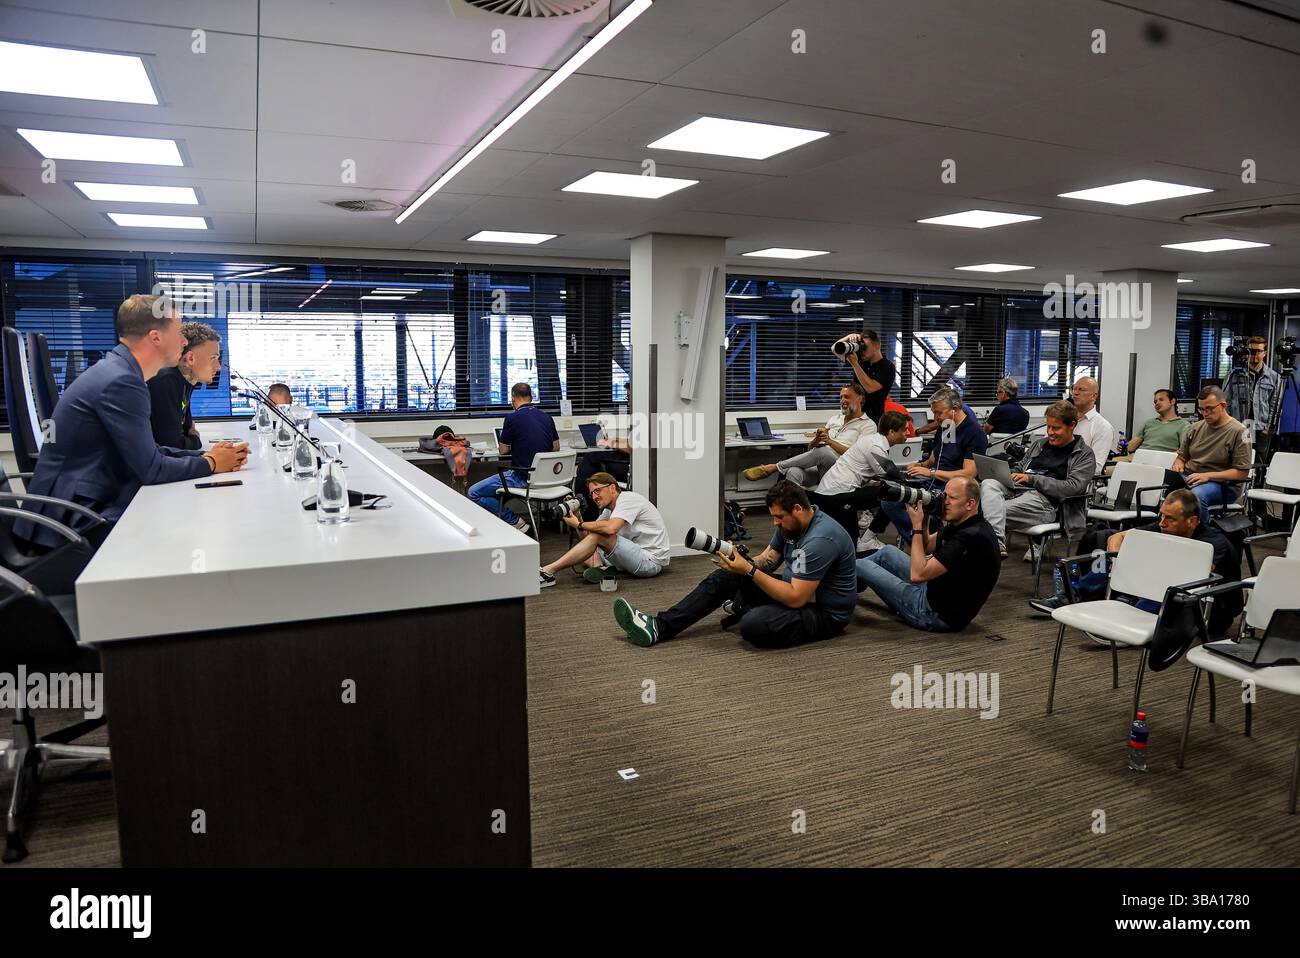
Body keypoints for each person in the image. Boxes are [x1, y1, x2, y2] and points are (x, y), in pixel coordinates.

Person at [14, 294, 248, 551]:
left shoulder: (120, 372)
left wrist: (206, 456)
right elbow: (152, 469)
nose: (183, 341)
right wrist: (211, 463)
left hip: (80, 506)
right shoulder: (121, 381)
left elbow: (152, 451)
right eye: (178, 332)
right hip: (74, 523)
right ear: (155, 337)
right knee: (191, 534)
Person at [611, 481, 857, 649]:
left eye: (779, 517)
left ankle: (745, 606)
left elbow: (795, 599)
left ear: (798, 509)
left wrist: (748, 571)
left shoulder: (821, 539)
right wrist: (740, 561)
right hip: (797, 591)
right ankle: (659, 626)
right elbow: (769, 561)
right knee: (724, 578)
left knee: (752, 626)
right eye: (773, 516)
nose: (774, 523)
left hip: (825, 613)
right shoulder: (790, 524)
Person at [1029, 489, 1242, 634]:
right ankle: (1071, 595)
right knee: (1109, 559)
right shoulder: (1162, 526)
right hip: (1165, 589)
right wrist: (1119, 558)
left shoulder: (1214, 544)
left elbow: (1191, 579)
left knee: (1167, 585)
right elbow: (1116, 538)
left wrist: (1140, 563)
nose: (1162, 523)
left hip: (1211, 611)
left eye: (1170, 519)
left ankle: (1128, 613)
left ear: (1192, 521)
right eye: (1161, 516)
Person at [855, 476, 1001, 632]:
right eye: (945, 495)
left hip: (934, 614)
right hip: (936, 591)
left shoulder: (970, 537)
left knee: (859, 564)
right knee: (886, 552)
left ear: (970, 504)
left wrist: (916, 527)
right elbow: (926, 546)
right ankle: (852, 584)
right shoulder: (966, 523)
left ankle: (839, 588)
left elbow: (917, 575)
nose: (944, 501)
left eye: (951, 498)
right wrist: (925, 520)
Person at [979, 399, 1096, 559]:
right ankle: (997, 543)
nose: (1050, 432)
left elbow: (1074, 487)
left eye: (1056, 428)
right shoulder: (1039, 445)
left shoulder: (1084, 454)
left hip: (1048, 504)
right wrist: (1008, 474)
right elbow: (1021, 467)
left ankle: (990, 545)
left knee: (988, 511)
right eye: (1048, 427)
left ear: (1072, 425)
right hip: (1019, 492)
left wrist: (1032, 479)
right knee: (989, 483)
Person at [881, 387, 988, 547]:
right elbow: (933, 459)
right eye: (934, 413)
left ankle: (926, 543)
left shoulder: (974, 433)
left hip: (950, 487)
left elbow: (968, 475)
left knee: (924, 507)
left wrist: (930, 472)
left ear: (955, 409)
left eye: (939, 412)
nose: (936, 417)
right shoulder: (946, 426)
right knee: (889, 497)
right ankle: (923, 541)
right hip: (931, 480)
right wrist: (919, 465)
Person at [539, 472, 669, 586]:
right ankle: (600, 569)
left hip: (650, 562)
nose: (594, 497)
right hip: (633, 555)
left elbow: (610, 529)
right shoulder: (609, 510)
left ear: (612, 487)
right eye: (591, 494)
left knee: (598, 537)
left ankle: (549, 571)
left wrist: (579, 524)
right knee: (585, 549)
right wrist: (577, 517)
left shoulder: (628, 499)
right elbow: (588, 538)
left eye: (597, 490)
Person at [807, 410, 911, 549]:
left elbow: (864, 471)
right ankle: (868, 538)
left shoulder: (873, 440)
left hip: (835, 492)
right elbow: (893, 477)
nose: (908, 434)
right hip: (836, 496)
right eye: (905, 430)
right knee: (894, 493)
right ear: (892, 432)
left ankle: (867, 538)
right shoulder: (876, 446)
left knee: (887, 491)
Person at [468, 382, 560, 533]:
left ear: (513, 398)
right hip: (546, 480)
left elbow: (503, 450)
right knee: (496, 493)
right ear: (531, 398)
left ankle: (516, 522)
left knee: (474, 493)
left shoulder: (512, 418)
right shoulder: (547, 418)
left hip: (522, 479)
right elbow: (555, 447)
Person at [743, 383, 872, 486]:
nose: (842, 400)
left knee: (824, 452)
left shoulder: (868, 425)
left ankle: (774, 467)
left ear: (859, 399)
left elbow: (858, 457)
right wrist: (817, 439)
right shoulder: (834, 419)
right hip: (822, 468)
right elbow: (811, 450)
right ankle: (794, 512)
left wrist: (830, 442)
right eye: (841, 397)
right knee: (794, 472)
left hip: (845, 471)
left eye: (847, 397)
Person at [1170, 385, 1251, 525]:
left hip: (1223, 485)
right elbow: (1182, 457)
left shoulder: (1241, 432)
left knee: (1195, 496)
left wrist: (1207, 476)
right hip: (1192, 476)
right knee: (1162, 487)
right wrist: (1178, 464)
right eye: (1201, 409)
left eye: (1209, 408)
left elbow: (1242, 473)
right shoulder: (1195, 427)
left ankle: (1201, 536)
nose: (1205, 413)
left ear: (1223, 405)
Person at [148, 321, 222, 450]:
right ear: (190, 359)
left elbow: (186, 428)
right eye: (213, 358)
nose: (218, 367)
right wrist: (194, 440)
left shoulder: (185, 382)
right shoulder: (166, 381)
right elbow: (172, 445)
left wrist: (189, 437)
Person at [1226, 335, 1281, 449]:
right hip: (1241, 425)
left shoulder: (1274, 377)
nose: (1254, 354)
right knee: (1243, 461)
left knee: (1260, 462)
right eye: (1250, 351)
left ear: (1264, 353)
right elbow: (1226, 401)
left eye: (1258, 351)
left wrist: (1270, 426)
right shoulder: (1234, 375)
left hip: (1262, 426)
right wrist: (1228, 425)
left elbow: (1275, 404)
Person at [844, 330, 897, 425]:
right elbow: (834, 348)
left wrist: (855, 364)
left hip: (873, 419)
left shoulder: (887, 366)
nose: (862, 351)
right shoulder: (862, 361)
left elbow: (870, 388)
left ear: (877, 346)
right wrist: (849, 337)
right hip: (854, 417)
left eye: (865, 347)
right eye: (861, 347)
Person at [1069, 376, 1115, 475]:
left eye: (1081, 389)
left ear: (1094, 396)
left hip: (1077, 482)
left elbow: (1096, 468)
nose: (1075, 393)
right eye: (1074, 389)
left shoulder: (1103, 427)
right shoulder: (1064, 419)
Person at [1125, 388, 1188, 455]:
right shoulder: (1149, 423)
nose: (1157, 403)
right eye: (1155, 402)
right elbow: (1130, 447)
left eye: (1161, 399)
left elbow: (1184, 450)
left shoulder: (1183, 425)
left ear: (1172, 401)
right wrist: (1123, 447)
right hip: (1140, 457)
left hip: (1163, 460)